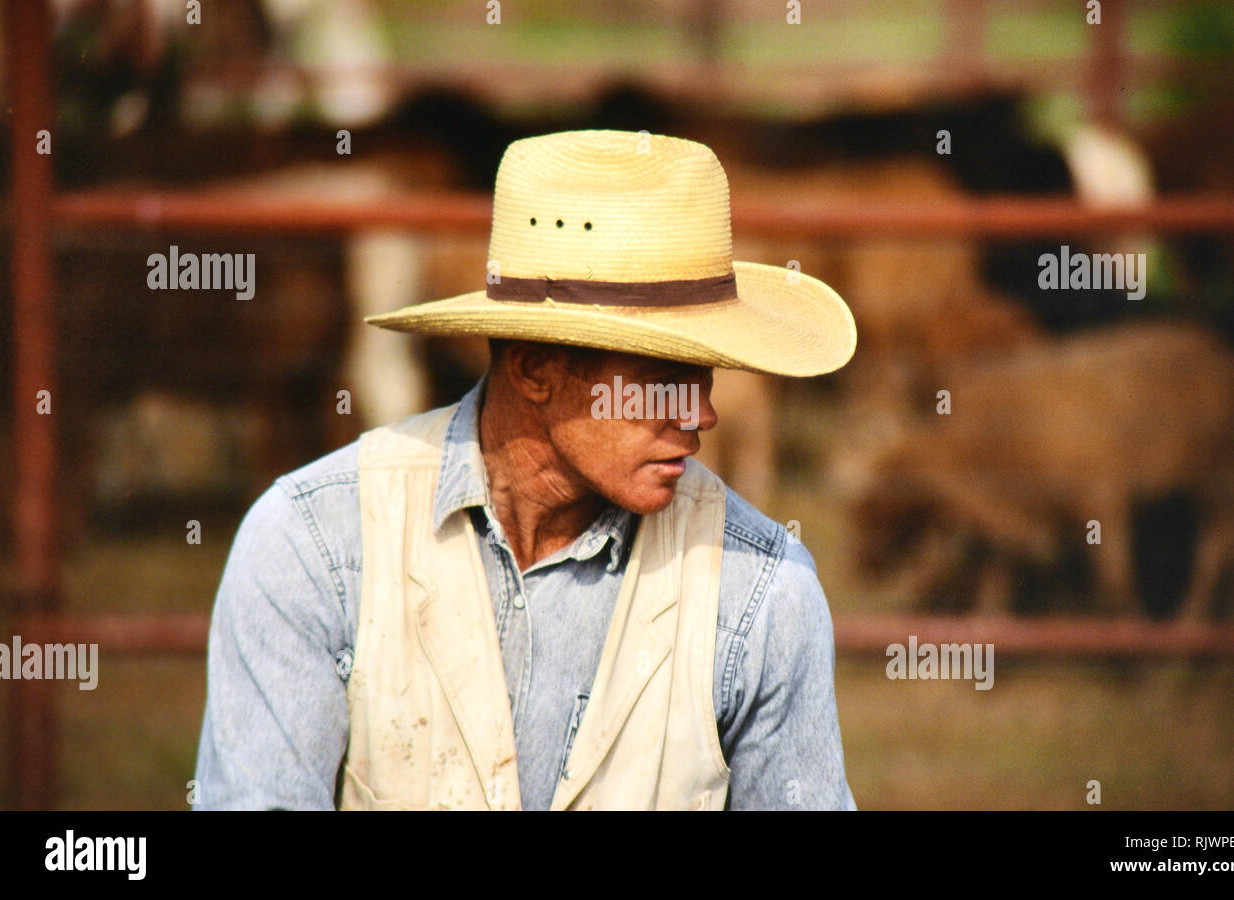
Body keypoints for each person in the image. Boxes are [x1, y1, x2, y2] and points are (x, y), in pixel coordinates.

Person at [193, 129, 858, 810]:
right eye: (662, 380)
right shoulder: (315, 545)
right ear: (535, 369)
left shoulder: (764, 593)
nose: (701, 416)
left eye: (705, 375)